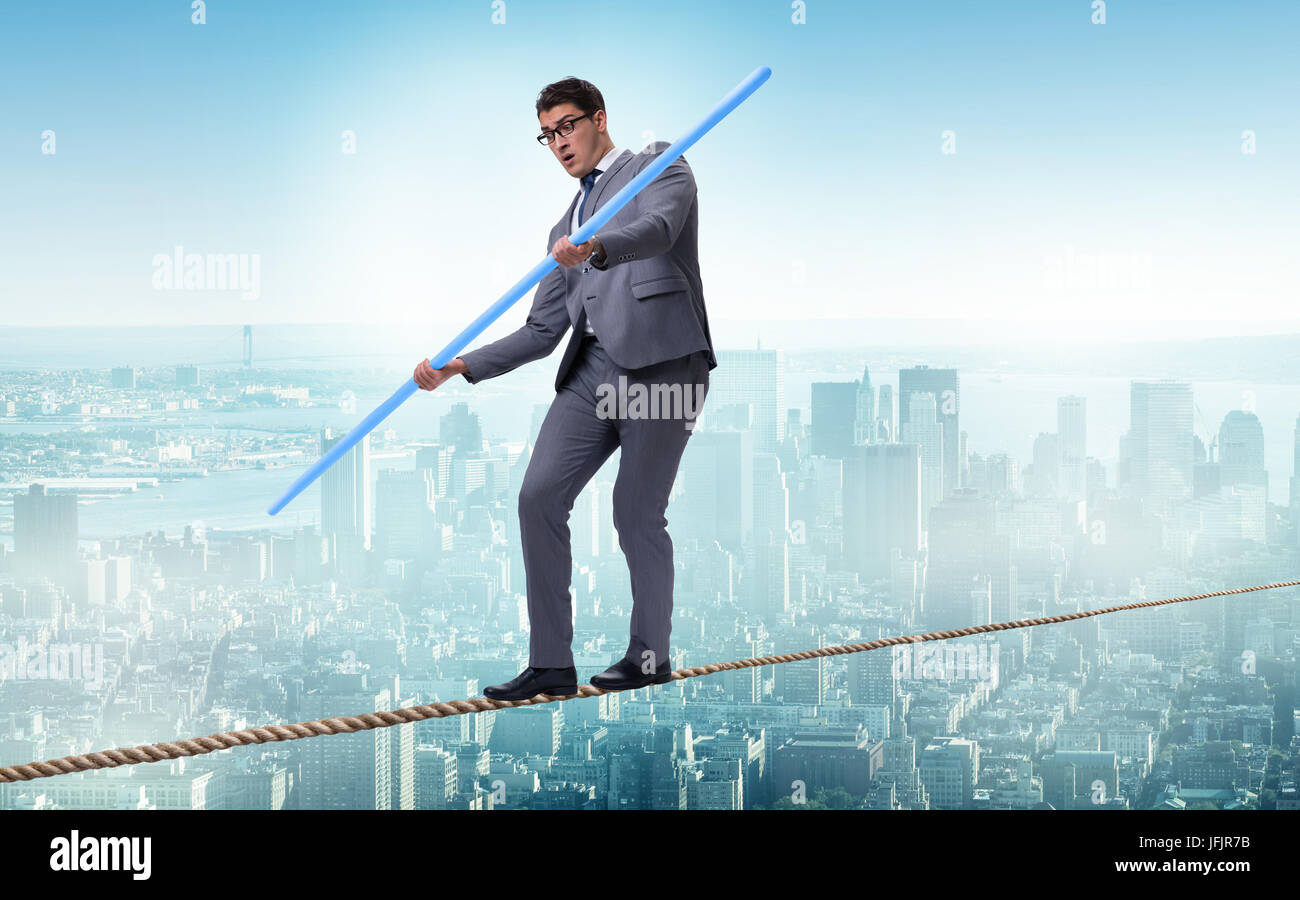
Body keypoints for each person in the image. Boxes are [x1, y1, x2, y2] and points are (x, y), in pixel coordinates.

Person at [413, 76, 716, 700]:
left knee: (634, 514)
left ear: (599, 119)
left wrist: (597, 247)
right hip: (591, 374)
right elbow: (541, 329)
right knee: (537, 498)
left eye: (567, 126)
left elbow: (658, 230)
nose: (558, 143)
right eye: (547, 135)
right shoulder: (564, 224)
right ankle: (551, 663)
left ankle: (649, 656)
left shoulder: (659, 164)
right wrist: (459, 367)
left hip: (663, 368)